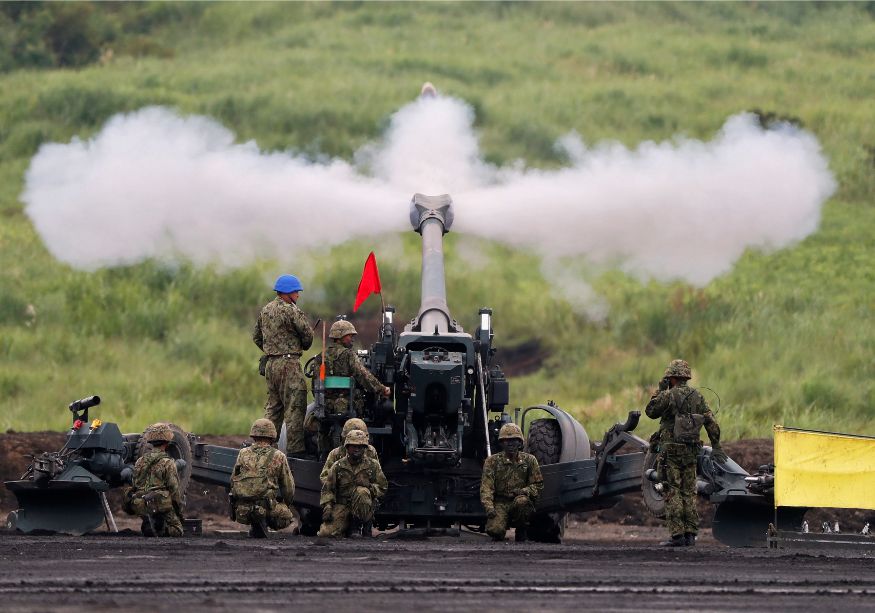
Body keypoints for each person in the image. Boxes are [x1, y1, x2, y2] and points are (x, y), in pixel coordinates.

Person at [645, 359, 725, 547]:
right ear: (686, 377)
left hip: (670, 452)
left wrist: (660, 390)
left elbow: (650, 411)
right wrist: (716, 445)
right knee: (689, 491)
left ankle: (677, 535)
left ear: (671, 378)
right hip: (691, 451)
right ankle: (690, 534)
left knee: (672, 490)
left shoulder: (668, 395)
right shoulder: (697, 397)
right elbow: (711, 423)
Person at [307, 320, 390, 455]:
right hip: (347, 405)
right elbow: (364, 376)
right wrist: (381, 389)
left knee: (322, 426)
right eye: (349, 336)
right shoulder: (349, 355)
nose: (352, 339)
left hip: (325, 405)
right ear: (340, 337)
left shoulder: (320, 357)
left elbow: (315, 385)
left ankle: (323, 453)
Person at [253, 274, 314, 455]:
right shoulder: (292, 311)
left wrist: (271, 350)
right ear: (288, 293)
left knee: (274, 408)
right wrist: (298, 345)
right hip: (289, 365)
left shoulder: (265, 310)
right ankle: (295, 452)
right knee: (295, 406)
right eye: (296, 292)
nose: (298, 296)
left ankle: (263, 447)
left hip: (271, 365)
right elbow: (308, 337)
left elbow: (256, 337)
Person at [230, 418, 296, 538]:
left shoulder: (243, 453)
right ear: (272, 436)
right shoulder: (278, 456)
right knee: (287, 516)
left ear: (253, 435)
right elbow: (288, 487)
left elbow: (233, 479)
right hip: (267, 508)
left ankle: (255, 523)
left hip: (242, 510)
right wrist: (285, 504)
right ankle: (262, 521)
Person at [480, 423, 544, 542]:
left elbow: (538, 485)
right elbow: (486, 487)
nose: (510, 443)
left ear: (520, 443)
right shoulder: (492, 461)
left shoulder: (530, 460)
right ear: (501, 443)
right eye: (506, 440)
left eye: (514, 440)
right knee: (495, 531)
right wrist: (489, 507)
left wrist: (523, 491)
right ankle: (499, 532)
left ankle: (522, 530)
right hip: (500, 502)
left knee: (522, 502)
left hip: (519, 499)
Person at [318, 429, 388, 538]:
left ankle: (360, 526)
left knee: (362, 492)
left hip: (364, 506)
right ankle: (347, 527)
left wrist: (369, 487)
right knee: (325, 533)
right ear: (347, 447)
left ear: (365, 448)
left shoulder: (373, 465)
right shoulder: (338, 466)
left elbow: (382, 487)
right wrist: (327, 506)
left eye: (360, 447)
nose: (357, 449)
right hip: (343, 505)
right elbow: (328, 488)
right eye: (353, 446)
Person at [124, 423, 184, 537]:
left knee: (148, 503)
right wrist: (178, 513)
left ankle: (149, 521)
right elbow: (174, 491)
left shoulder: (140, 461)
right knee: (178, 530)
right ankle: (159, 528)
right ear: (167, 443)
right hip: (159, 504)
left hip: (140, 504)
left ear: (150, 442)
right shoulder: (168, 463)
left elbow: (136, 484)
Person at [319, 417, 379, 486]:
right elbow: (324, 477)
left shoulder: (370, 451)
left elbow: (378, 479)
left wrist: (368, 486)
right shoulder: (336, 453)